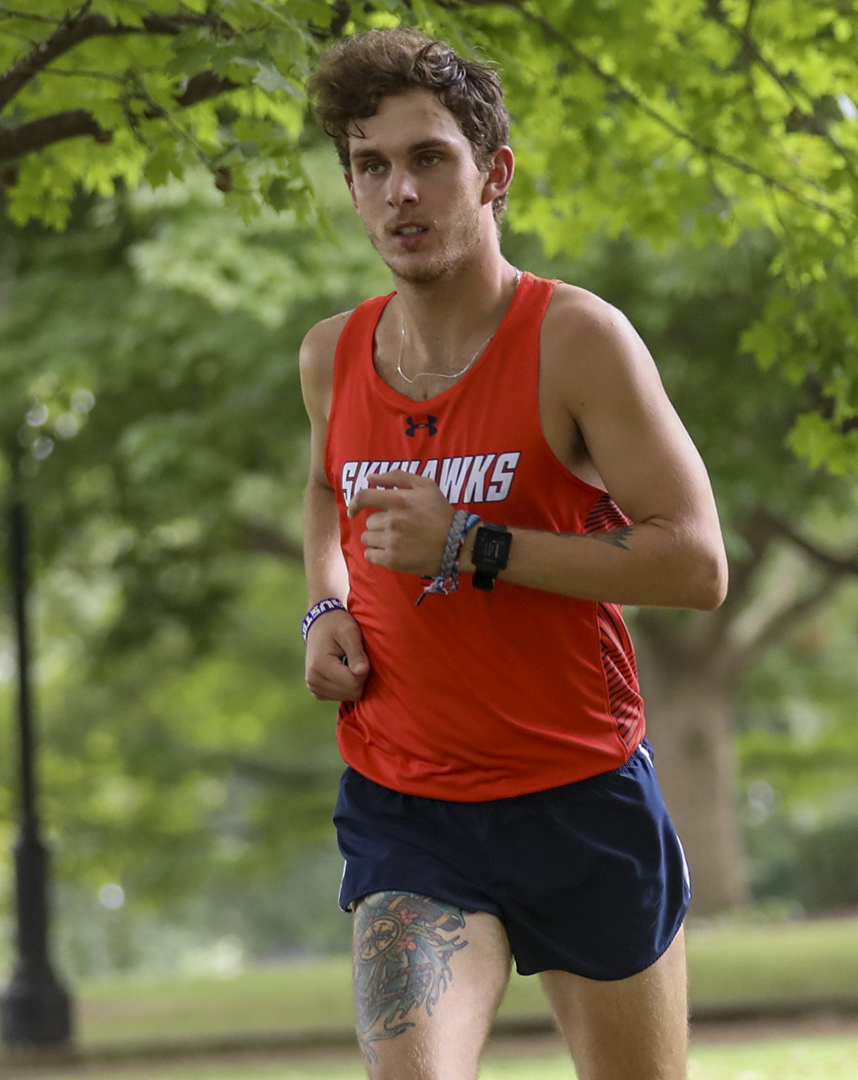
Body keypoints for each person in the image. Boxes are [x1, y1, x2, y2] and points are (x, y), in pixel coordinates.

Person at [298, 27, 726, 1080]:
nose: (400, 192)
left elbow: (694, 563)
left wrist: (472, 543)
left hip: (578, 794)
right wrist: (325, 605)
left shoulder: (577, 339)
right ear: (352, 188)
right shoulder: (332, 354)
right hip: (409, 807)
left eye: (429, 158)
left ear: (494, 174)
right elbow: (324, 491)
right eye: (371, 166)